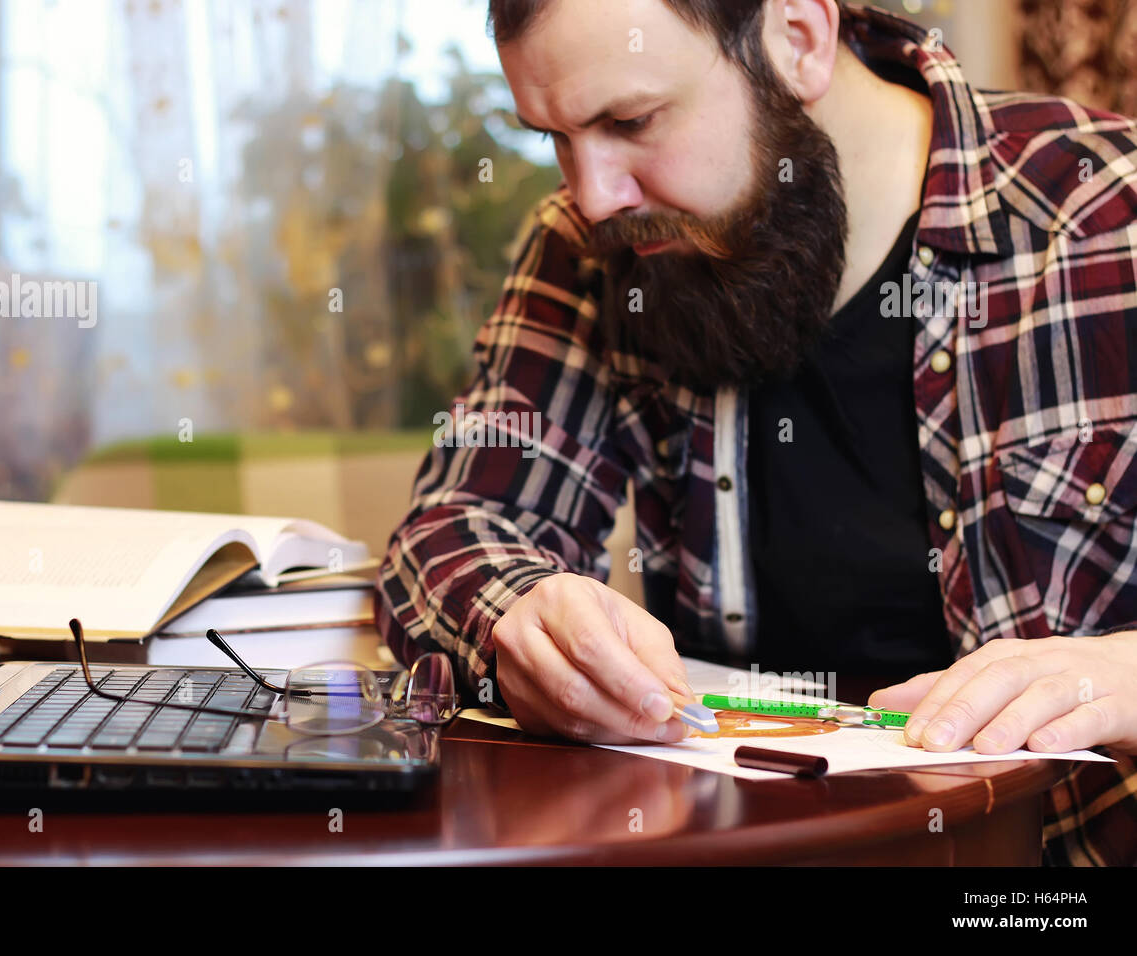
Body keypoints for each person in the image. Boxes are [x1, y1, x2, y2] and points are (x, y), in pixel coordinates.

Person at [375, 0, 1137, 865]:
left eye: (630, 120)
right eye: (554, 137)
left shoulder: (1107, 218)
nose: (589, 196)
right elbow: (451, 526)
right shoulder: (603, 244)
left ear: (798, 41)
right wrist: (519, 613)